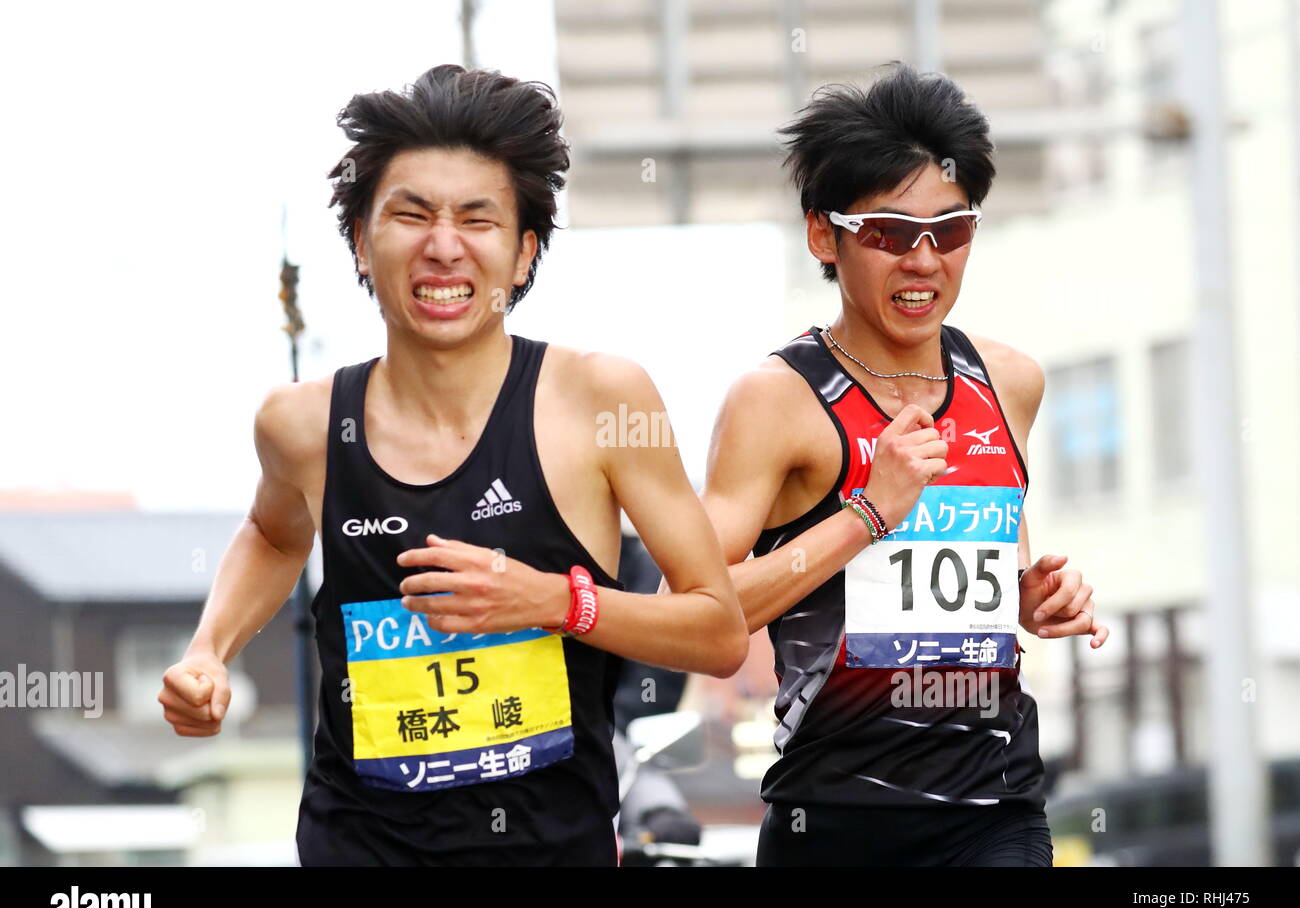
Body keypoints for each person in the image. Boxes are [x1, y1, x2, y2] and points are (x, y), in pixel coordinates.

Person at [157, 64, 747, 866]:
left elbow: (717, 630)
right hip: (356, 845)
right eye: (410, 215)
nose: (443, 247)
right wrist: (207, 651)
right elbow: (270, 533)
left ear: (523, 255)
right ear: (363, 243)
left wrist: (549, 602)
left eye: (477, 220)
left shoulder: (602, 400)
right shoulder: (299, 423)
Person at [699, 62, 1109, 866]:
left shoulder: (1009, 381)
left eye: (950, 231)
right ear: (824, 235)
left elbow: (991, 569)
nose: (923, 261)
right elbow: (701, 609)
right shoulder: (777, 400)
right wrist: (866, 514)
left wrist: (1034, 597)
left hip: (995, 812)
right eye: (888, 233)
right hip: (836, 820)